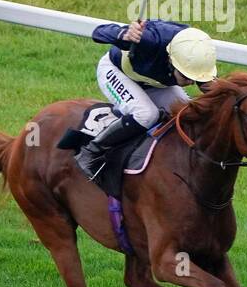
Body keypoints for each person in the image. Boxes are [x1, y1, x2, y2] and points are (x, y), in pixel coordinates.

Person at [76, 19, 218, 179]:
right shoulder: (149, 40)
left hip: (152, 82)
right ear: (172, 61)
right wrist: (124, 34)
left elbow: (213, 90)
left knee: (188, 113)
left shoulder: (194, 53)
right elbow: (99, 31)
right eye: (186, 76)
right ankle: (90, 152)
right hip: (117, 71)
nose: (191, 82)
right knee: (146, 114)